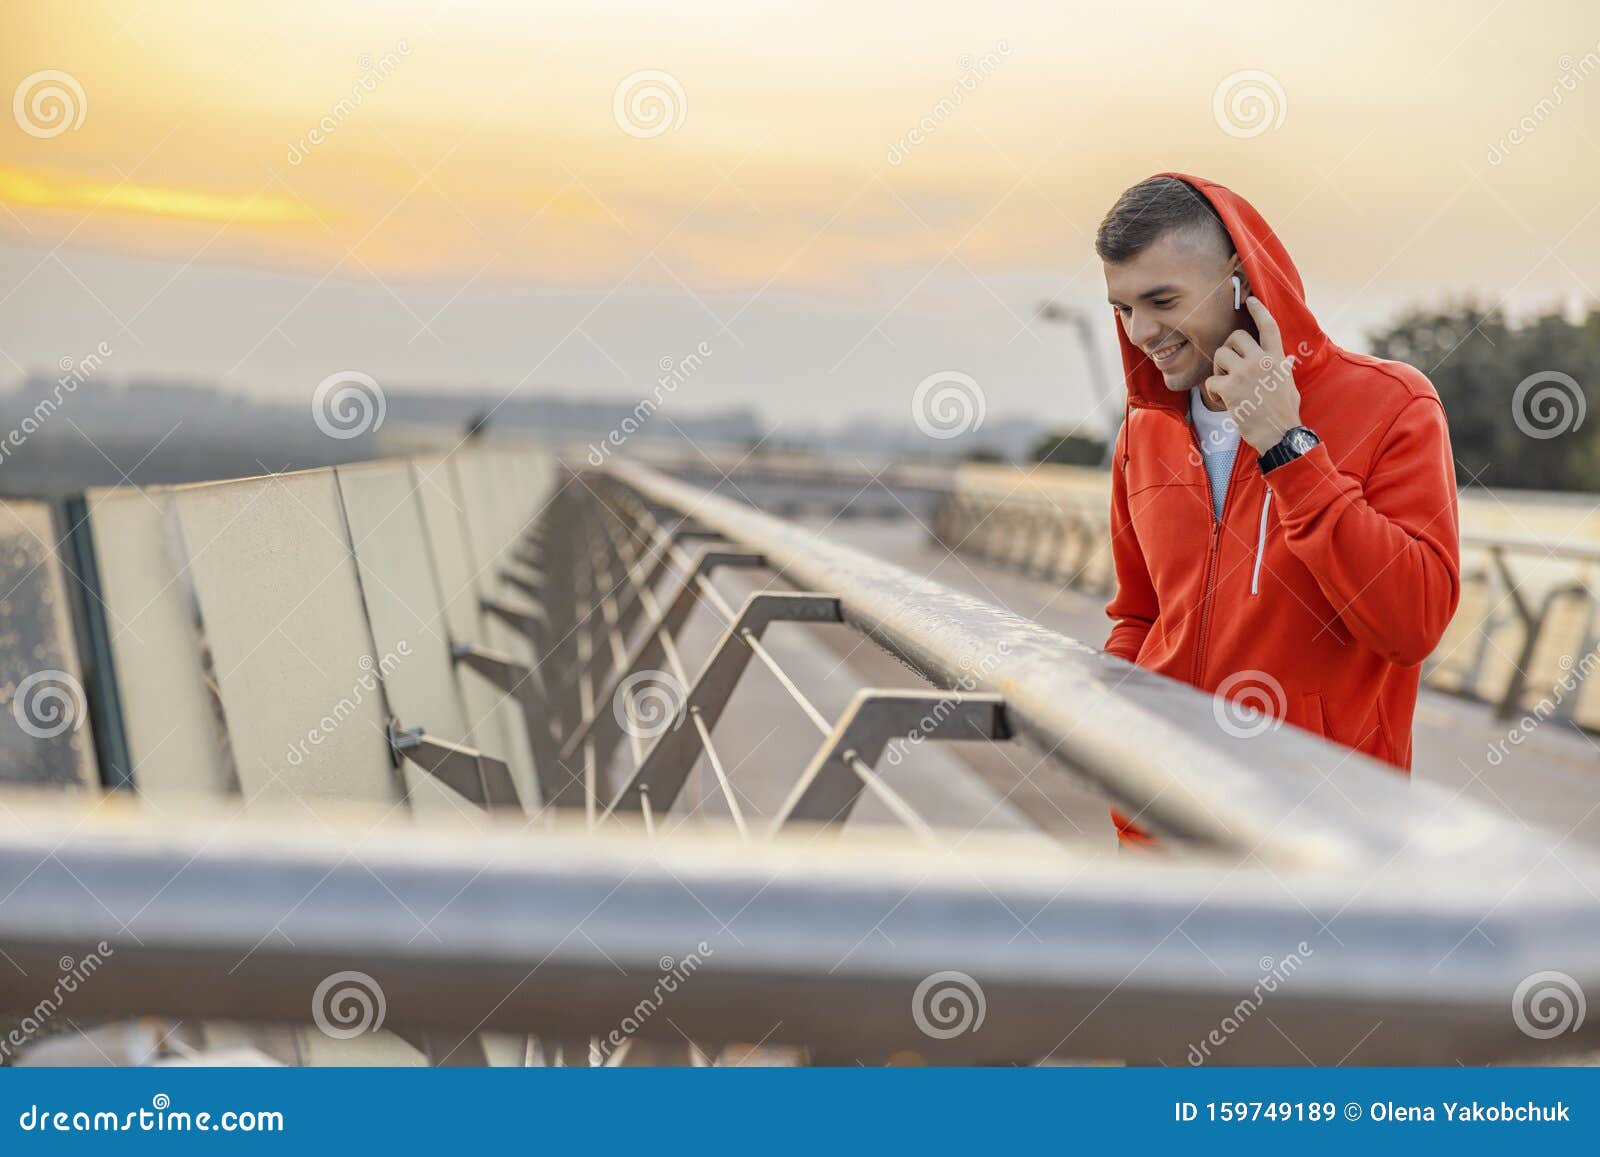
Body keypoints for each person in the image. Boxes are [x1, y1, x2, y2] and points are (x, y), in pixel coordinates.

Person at [1096, 173, 1461, 848]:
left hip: (1320, 843)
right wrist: (1107, 712)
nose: (1142, 332)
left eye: (1162, 300)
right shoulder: (1141, 433)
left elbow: (1412, 622)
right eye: (1122, 308)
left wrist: (1287, 447)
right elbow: (1139, 614)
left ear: (1239, 277)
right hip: (1160, 835)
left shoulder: (1393, 404)